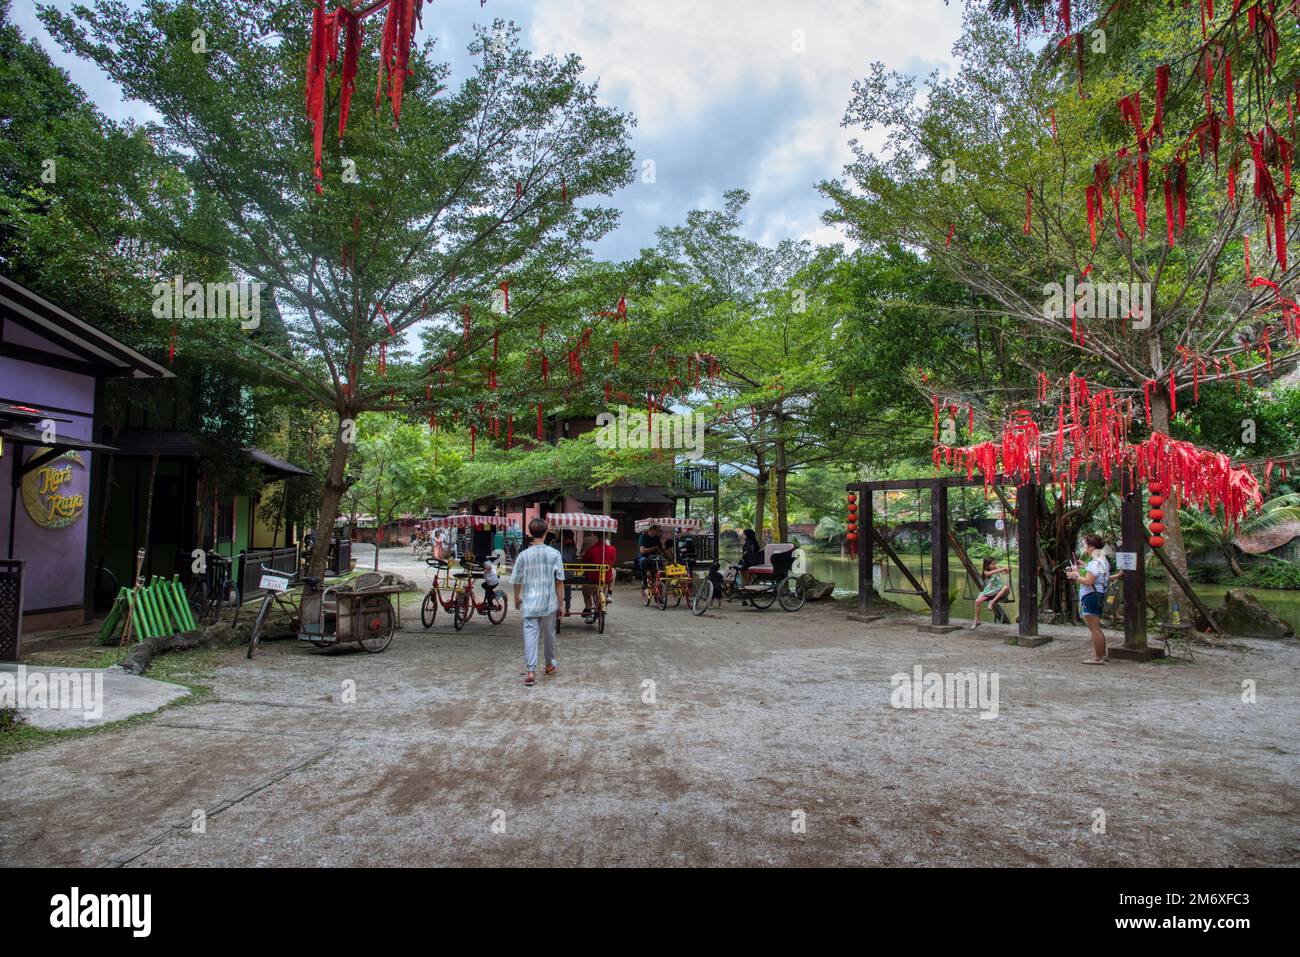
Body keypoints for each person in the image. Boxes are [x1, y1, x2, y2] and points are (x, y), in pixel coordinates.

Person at [510, 517, 566, 687]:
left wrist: (517, 598)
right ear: (546, 532)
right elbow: (559, 581)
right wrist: (561, 603)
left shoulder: (523, 555)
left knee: (530, 635)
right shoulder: (554, 554)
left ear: (530, 533)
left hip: (530, 603)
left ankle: (531, 671)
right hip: (549, 602)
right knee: (549, 634)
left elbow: (517, 580)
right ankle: (549, 664)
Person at [1066, 533, 1110, 664]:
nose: (1084, 547)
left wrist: (1074, 576)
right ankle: (1102, 655)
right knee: (1096, 628)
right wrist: (1085, 567)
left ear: (1091, 547)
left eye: (1085, 544)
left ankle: (1098, 657)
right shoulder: (1102, 560)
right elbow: (1097, 576)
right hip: (1098, 594)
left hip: (1090, 596)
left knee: (1094, 628)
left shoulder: (1095, 562)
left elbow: (1088, 581)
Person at [580, 534, 618, 620]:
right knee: (614, 572)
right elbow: (613, 560)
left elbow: (584, 560)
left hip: (592, 578)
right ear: (607, 538)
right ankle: (609, 593)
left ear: (596, 537)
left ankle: (588, 608)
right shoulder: (612, 549)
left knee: (585, 590)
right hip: (606, 577)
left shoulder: (591, 549)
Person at [969, 557, 1011, 629]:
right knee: (977, 601)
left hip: (998, 590)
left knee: (1006, 587)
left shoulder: (996, 568)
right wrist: (1001, 569)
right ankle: (976, 621)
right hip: (990, 591)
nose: (995, 565)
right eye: (993, 564)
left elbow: (1005, 572)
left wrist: (1009, 570)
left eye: (995, 563)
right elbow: (989, 573)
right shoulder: (986, 572)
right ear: (987, 565)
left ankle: (992, 602)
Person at [560, 531, 578, 615]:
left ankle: (559, 606)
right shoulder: (573, 547)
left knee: (557, 587)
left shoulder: (555, 545)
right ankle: (567, 608)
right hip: (569, 574)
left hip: (558, 573)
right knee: (568, 587)